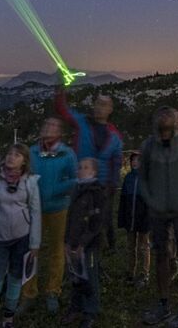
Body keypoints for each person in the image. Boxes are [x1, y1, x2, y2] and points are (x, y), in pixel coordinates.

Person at [138, 107, 178, 327]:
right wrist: (152, 201)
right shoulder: (148, 147)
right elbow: (143, 178)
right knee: (162, 255)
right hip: (158, 210)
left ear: (175, 126)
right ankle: (164, 304)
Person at [0, 144, 42, 328]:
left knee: (15, 279)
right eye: (9, 154)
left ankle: (8, 319)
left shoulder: (30, 182)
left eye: (17, 154)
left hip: (22, 238)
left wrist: (35, 243)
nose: (12, 157)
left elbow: (35, 212)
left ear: (24, 161)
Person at [55, 83, 123, 247]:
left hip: (103, 185)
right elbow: (63, 111)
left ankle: (107, 246)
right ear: (94, 106)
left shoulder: (114, 135)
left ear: (110, 110)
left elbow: (117, 161)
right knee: (79, 215)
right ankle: (78, 246)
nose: (100, 107)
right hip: (81, 181)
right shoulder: (82, 122)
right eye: (98, 103)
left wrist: (112, 184)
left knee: (102, 218)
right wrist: (60, 92)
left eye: (104, 105)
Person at [22, 116, 78, 315]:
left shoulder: (67, 154)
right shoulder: (31, 152)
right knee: (31, 250)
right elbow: (22, 175)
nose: (48, 128)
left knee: (56, 250)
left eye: (53, 126)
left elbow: (75, 179)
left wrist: (57, 189)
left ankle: (52, 291)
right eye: (46, 124)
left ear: (59, 132)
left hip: (58, 208)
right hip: (33, 209)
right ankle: (28, 293)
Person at [62, 158, 109, 328]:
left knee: (89, 276)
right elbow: (70, 217)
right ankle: (76, 306)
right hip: (72, 243)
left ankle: (91, 311)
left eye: (85, 167)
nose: (81, 170)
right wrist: (67, 241)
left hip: (89, 245)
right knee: (75, 276)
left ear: (94, 172)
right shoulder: (77, 189)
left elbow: (97, 224)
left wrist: (83, 243)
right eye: (80, 167)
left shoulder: (97, 192)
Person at [117, 151, 151, 287]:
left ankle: (144, 273)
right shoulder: (128, 179)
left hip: (144, 219)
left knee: (144, 246)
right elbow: (123, 201)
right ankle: (130, 272)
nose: (135, 162)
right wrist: (122, 218)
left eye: (138, 160)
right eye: (133, 160)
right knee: (131, 247)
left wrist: (149, 219)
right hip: (130, 219)